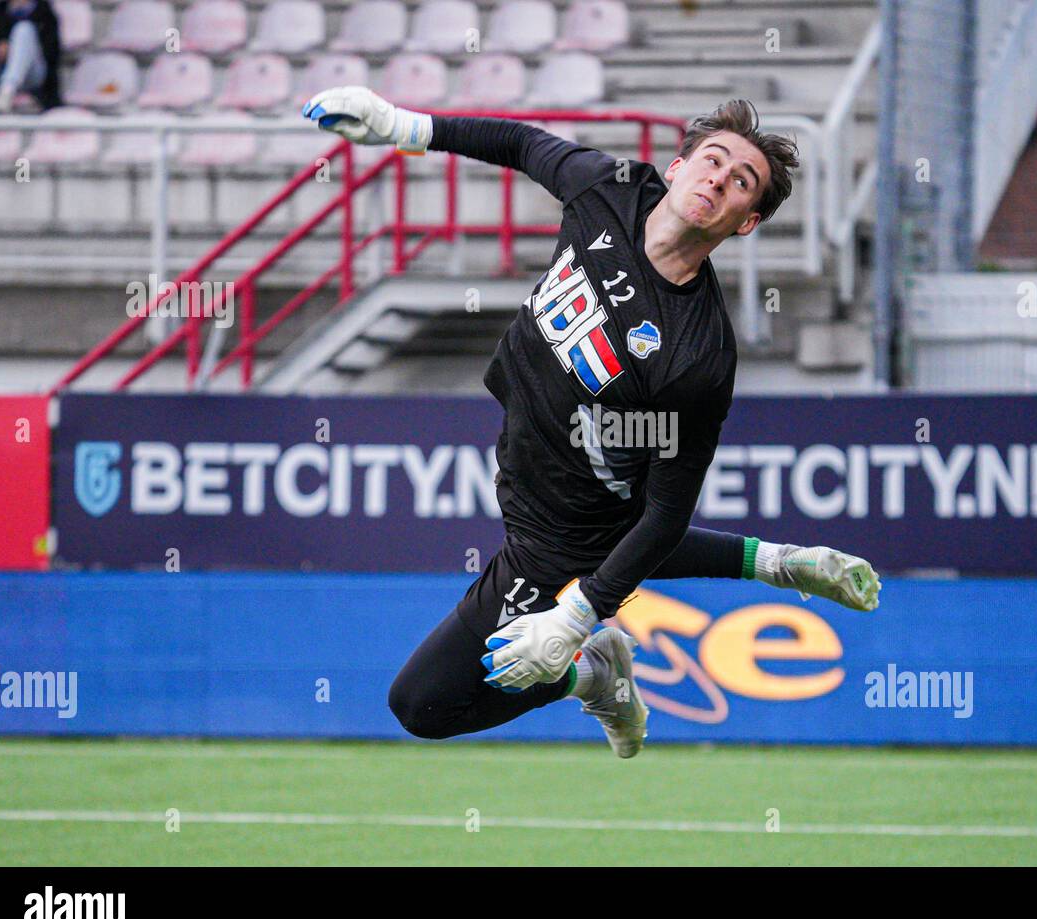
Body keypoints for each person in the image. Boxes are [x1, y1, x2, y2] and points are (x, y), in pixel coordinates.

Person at [302, 86, 881, 758]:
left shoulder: (697, 355)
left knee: (421, 704)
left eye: (741, 182)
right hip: (546, 481)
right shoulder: (607, 189)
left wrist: (576, 618)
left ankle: (593, 678)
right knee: (613, 525)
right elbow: (519, 142)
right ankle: (781, 562)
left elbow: (663, 516)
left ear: (745, 221)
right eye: (714, 160)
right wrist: (401, 124)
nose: (720, 178)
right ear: (679, 164)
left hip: (554, 536)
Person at [0, 0, 61, 114]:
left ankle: (7, 92)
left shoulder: (45, 12)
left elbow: (51, 54)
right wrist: (1, 41)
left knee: (24, 29)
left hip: (31, 75)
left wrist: (15, 50)